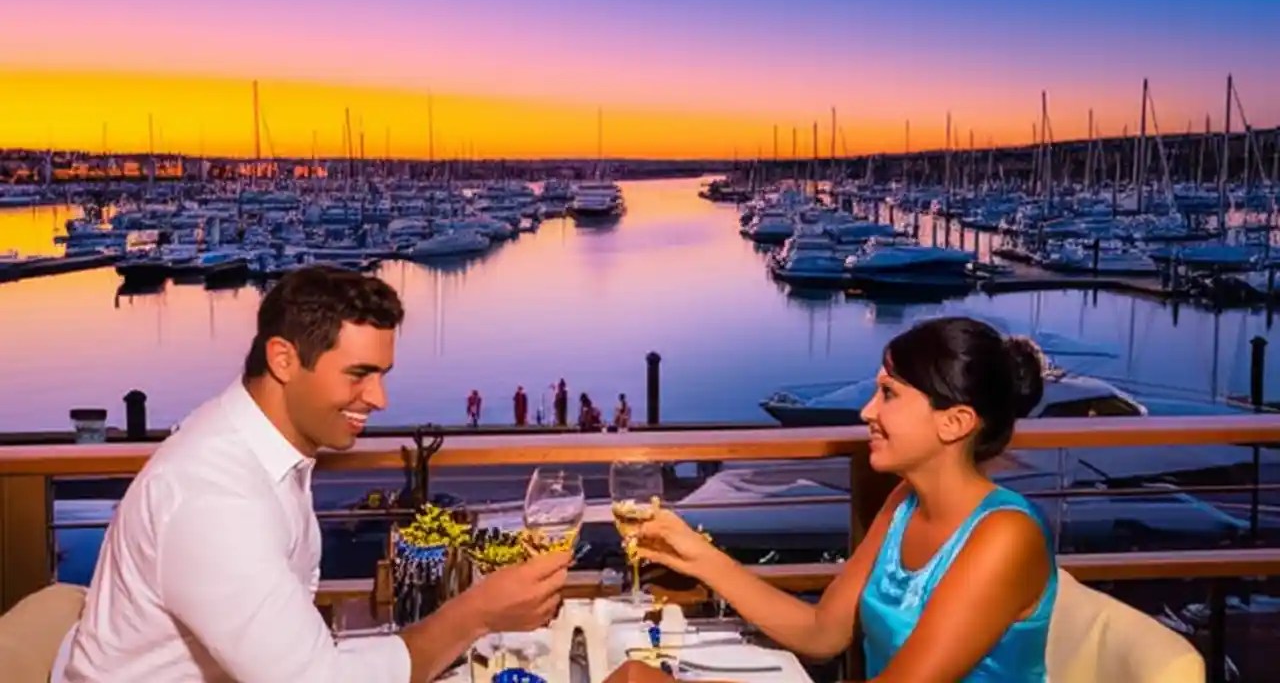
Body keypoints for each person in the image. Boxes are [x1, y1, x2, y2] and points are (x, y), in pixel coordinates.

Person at [59, 266, 571, 683]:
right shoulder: (212, 498)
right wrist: (476, 613)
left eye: (381, 375)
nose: (379, 399)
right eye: (358, 374)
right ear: (283, 359)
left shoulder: (259, 448)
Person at [636, 316, 1056, 682]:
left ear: (955, 422)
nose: (866, 412)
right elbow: (822, 632)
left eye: (888, 393)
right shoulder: (903, 503)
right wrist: (699, 557)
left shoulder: (1006, 536)